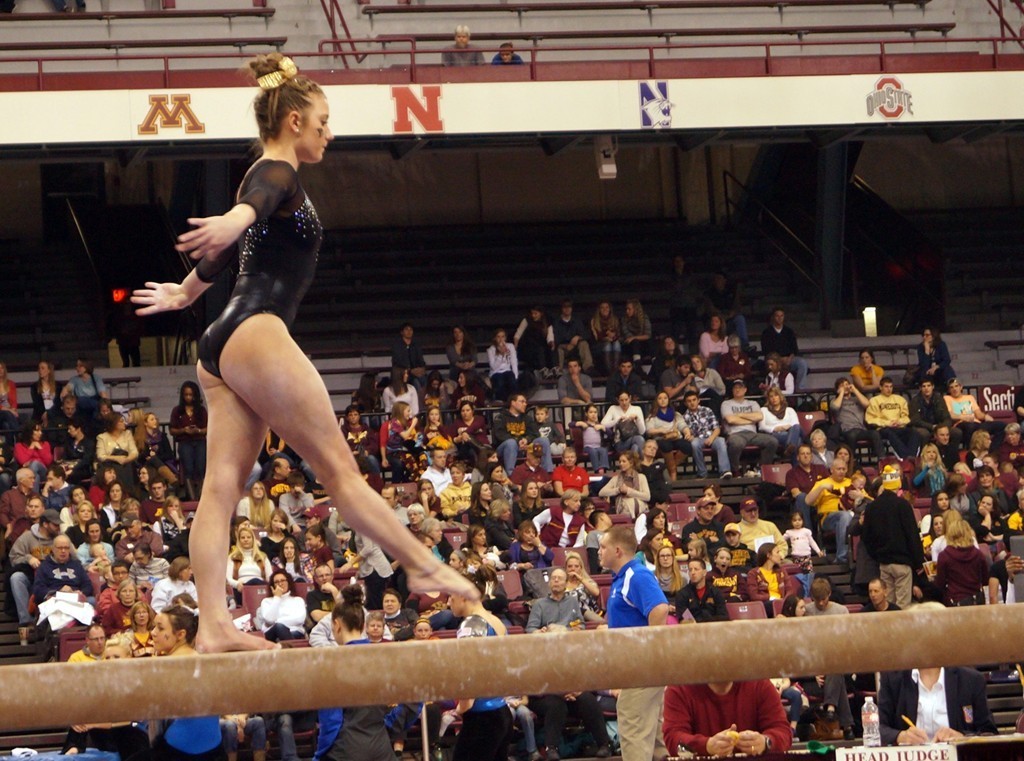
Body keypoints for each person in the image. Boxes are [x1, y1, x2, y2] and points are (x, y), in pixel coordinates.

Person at [133, 55, 478, 651]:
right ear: (294, 121)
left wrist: (186, 291)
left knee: (220, 488)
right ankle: (422, 564)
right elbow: (257, 202)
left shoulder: (266, 177)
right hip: (256, 332)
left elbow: (233, 246)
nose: (329, 133)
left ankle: (214, 624)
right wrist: (237, 216)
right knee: (340, 472)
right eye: (322, 122)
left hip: (222, 344)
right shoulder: (275, 172)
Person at [598, 525, 669, 761]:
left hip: (641, 667)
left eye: (603, 547)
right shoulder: (622, 578)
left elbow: (660, 608)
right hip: (636, 667)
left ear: (618, 551)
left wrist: (649, 651)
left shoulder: (636, 575)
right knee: (656, 738)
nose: (599, 551)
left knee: (634, 732)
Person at [663, 677, 792, 757]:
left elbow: (783, 731)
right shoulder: (679, 688)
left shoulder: (760, 684)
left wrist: (765, 742)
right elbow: (673, 738)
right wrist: (706, 746)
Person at [878, 662, 997, 745]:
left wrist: (962, 738)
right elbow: (878, 729)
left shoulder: (971, 679)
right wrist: (900, 736)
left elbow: (989, 732)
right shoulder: (892, 678)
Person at [861, 469, 925, 609]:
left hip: (884, 563)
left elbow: (866, 537)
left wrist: (877, 555)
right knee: (903, 606)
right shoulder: (903, 505)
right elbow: (912, 534)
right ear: (898, 485)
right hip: (902, 563)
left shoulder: (872, 507)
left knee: (887, 605)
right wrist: (918, 561)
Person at [720, 379, 778, 477]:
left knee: (772, 441)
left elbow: (759, 417)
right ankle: (735, 470)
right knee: (736, 444)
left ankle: (761, 469)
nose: (737, 390)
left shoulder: (753, 403)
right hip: (735, 434)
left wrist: (739, 415)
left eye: (740, 387)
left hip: (752, 434)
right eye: (735, 388)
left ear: (745, 390)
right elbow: (730, 420)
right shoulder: (726, 404)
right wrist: (750, 419)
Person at [807, 459, 856, 565]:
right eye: (838, 469)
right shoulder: (823, 483)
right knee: (845, 516)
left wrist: (860, 496)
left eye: (843, 469)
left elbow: (869, 500)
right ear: (831, 470)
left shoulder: (851, 482)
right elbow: (808, 501)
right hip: (828, 518)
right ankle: (842, 557)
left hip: (851, 515)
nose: (841, 471)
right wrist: (821, 488)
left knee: (848, 517)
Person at [934, 516, 987, 606]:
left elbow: (940, 584)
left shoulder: (944, 556)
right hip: (976, 601)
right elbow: (985, 580)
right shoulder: (978, 554)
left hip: (955, 602)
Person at [866, 376, 922, 459]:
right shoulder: (874, 400)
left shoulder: (900, 399)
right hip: (884, 428)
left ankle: (911, 457)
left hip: (899, 426)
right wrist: (887, 423)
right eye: (886, 387)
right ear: (880, 387)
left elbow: (906, 417)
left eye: (891, 387)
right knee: (890, 433)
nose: (889, 389)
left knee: (914, 432)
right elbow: (870, 419)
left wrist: (900, 421)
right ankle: (905, 457)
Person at [679, 390, 731, 479]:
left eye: (694, 400)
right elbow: (687, 432)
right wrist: (689, 437)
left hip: (712, 436)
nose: (692, 403)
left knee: (721, 441)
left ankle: (724, 471)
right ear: (685, 403)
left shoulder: (707, 410)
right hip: (697, 439)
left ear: (698, 400)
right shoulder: (684, 417)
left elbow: (717, 429)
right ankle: (702, 473)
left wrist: (711, 438)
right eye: (689, 401)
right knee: (694, 444)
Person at [944, 378, 1005, 449]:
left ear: (961, 387)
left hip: (976, 424)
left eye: (956, 386)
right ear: (949, 390)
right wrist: (965, 418)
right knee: (970, 426)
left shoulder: (970, 397)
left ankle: (992, 449)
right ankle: (971, 450)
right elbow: (951, 415)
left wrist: (985, 416)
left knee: (1001, 425)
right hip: (961, 424)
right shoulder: (947, 398)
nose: (954, 389)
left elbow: (978, 414)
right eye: (951, 387)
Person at [760, 307, 809, 390]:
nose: (779, 318)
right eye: (777, 316)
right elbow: (766, 351)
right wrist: (779, 359)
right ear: (773, 317)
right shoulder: (766, 333)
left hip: (789, 359)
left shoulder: (789, 331)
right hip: (774, 360)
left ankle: (800, 389)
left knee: (802, 363)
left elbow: (794, 349)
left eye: (781, 316)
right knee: (772, 364)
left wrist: (789, 359)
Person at [909, 378, 960, 449]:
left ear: (933, 387)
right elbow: (916, 420)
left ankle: (951, 453)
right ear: (920, 388)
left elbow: (947, 417)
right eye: (924, 386)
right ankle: (926, 453)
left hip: (939, 426)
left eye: (928, 386)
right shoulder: (915, 401)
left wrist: (942, 427)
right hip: (924, 427)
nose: (926, 388)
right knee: (924, 434)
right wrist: (932, 427)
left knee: (956, 432)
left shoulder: (939, 398)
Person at [552, 300, 593, 372]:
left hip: (575, 346)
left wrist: (578, 337)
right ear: (562, 309)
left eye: (569, 307)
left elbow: (586, 334)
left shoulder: (576, 320)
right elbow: (556, 338)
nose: (567, 309)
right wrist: (566, 345)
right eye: (565, 307)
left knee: (584, 344)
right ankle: (559, 371)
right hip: (563, 347)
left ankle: (588, 368)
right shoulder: (557, 322)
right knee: (558, 350)